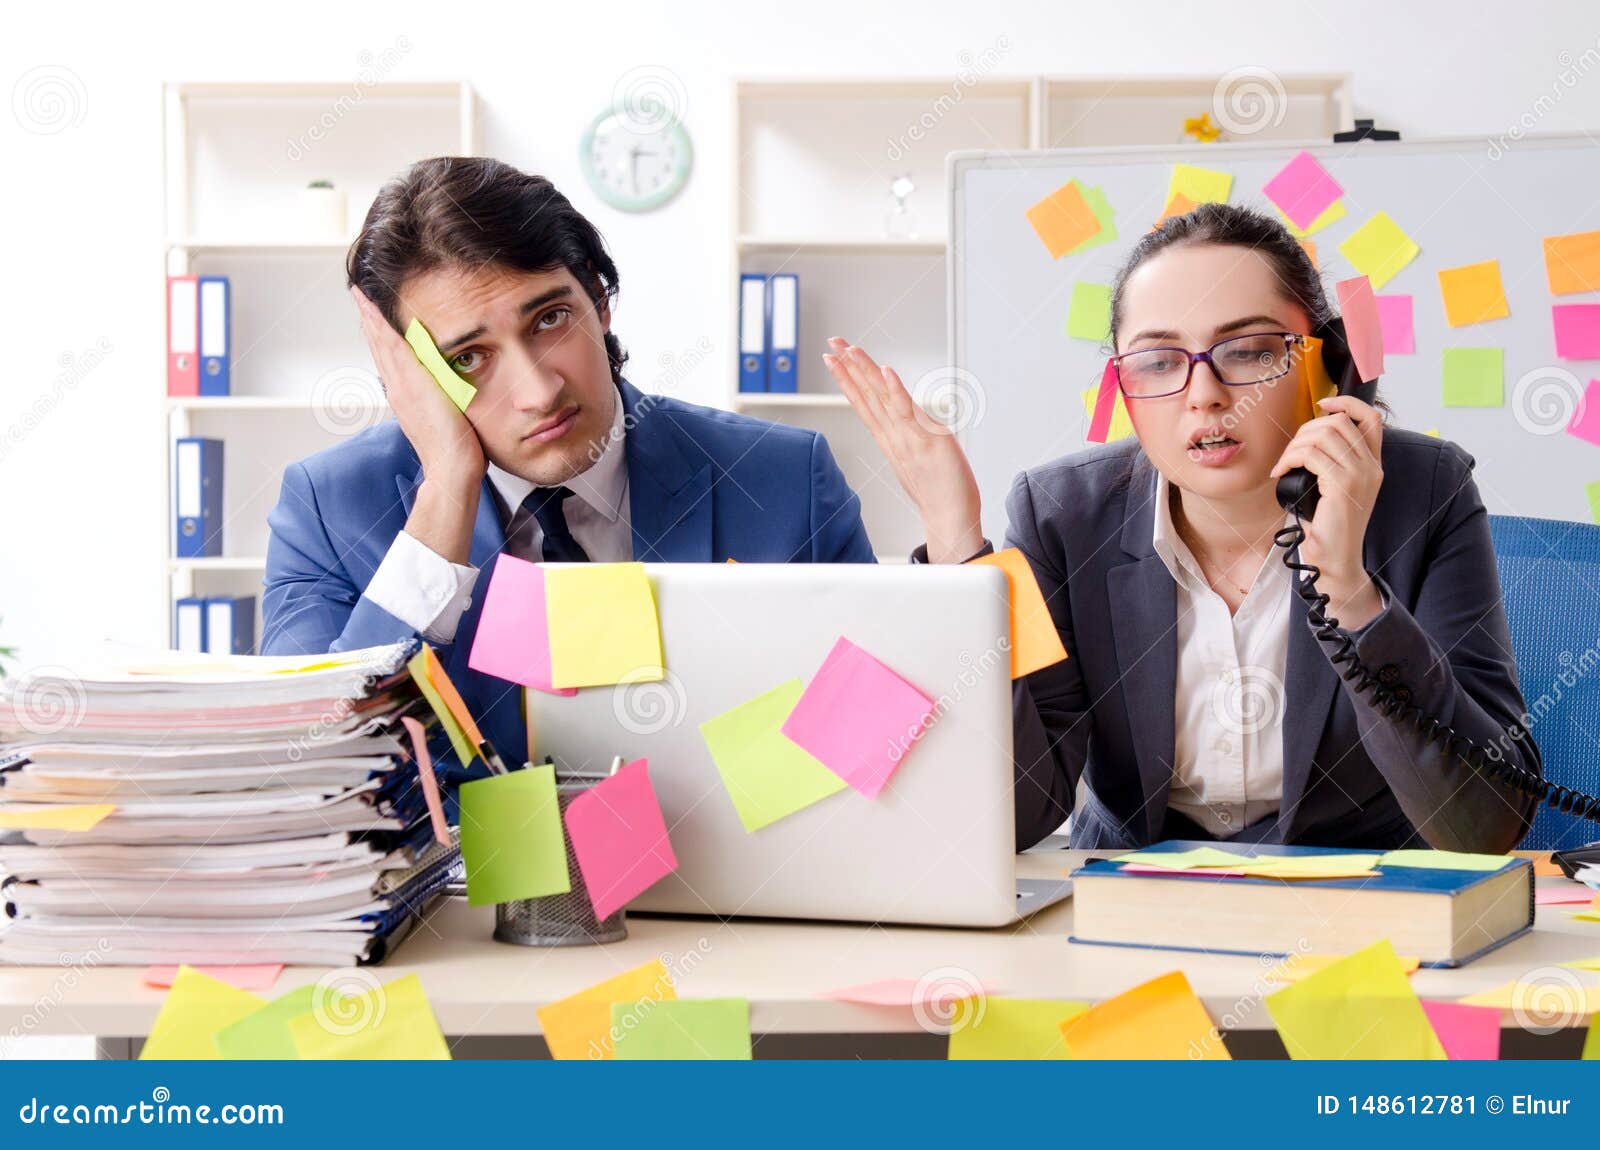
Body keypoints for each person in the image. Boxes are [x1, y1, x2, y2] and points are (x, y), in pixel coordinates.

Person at [825, 202, 1539, 853]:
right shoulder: (1063, 516)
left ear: (1326, 369)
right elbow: (1012, 811)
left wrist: (1350, 591)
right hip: (1128, 903)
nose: (1204, 396)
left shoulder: (1423, 493)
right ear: (1125, 389)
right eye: (1159, 361)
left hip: (1358, 905)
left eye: (1250, 351)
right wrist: (958, 545)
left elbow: (1485, 824)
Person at [263, 157, 873, 780]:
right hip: (467, 879)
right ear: (414, 378)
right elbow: (311, 780)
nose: (538, 391)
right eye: (468, 357)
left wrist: (960, 548)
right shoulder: (328, 508)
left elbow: (873, 738)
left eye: (550, 319)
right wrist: (447, 488)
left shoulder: (785, 476)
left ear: (598, 299)